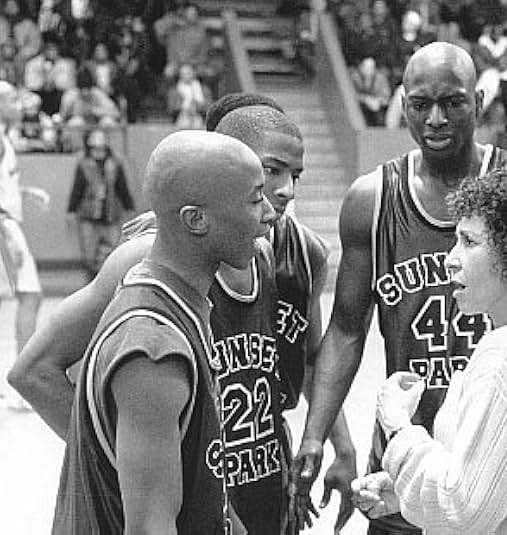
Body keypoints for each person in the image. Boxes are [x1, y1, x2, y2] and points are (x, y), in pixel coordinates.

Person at [9, 93, 358, 534]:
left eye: (295, 174)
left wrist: (329, 442)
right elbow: (34, 370)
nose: (284, 192)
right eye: (269, 173)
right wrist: (137, 468)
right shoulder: (149, 281)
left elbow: (309, 358)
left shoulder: (292, 254)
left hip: (255, 490)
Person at [291, 41, 507, 534]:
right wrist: (314, 435)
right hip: (404, 457)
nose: (435, 119)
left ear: (478, 101)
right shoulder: (372, 199)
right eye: (420, 104)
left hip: (498, 458)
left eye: (452, 102)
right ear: (402, 103)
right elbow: (346, 329)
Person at [351, 168, 507, 533]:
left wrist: (398, 427)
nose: (450, 258)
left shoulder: (506, 354)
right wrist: (402, 490)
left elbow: (462, 508)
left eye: (469, 242)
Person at [52, 129, 276, 533]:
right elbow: (151, 527)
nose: (270, 214)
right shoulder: (153, 346)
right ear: (196, 219)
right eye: (255, 199)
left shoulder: (179, 302)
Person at [0, 80, 49, 409]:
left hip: (6, 220)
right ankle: (23, 384)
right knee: (30, 295)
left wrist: (25, 192)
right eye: (11, 100)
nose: (18, 105)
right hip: (4, 226)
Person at [67, 128, 134, 279]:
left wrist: (129, 207)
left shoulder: (114, 163)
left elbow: (122, 186)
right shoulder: (84, 163)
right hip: (89, 216)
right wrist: (71, 209)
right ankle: (91, 284)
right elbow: (77, 188)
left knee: (114, 254)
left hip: (110, 215)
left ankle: (110, 285)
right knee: (90, 256)